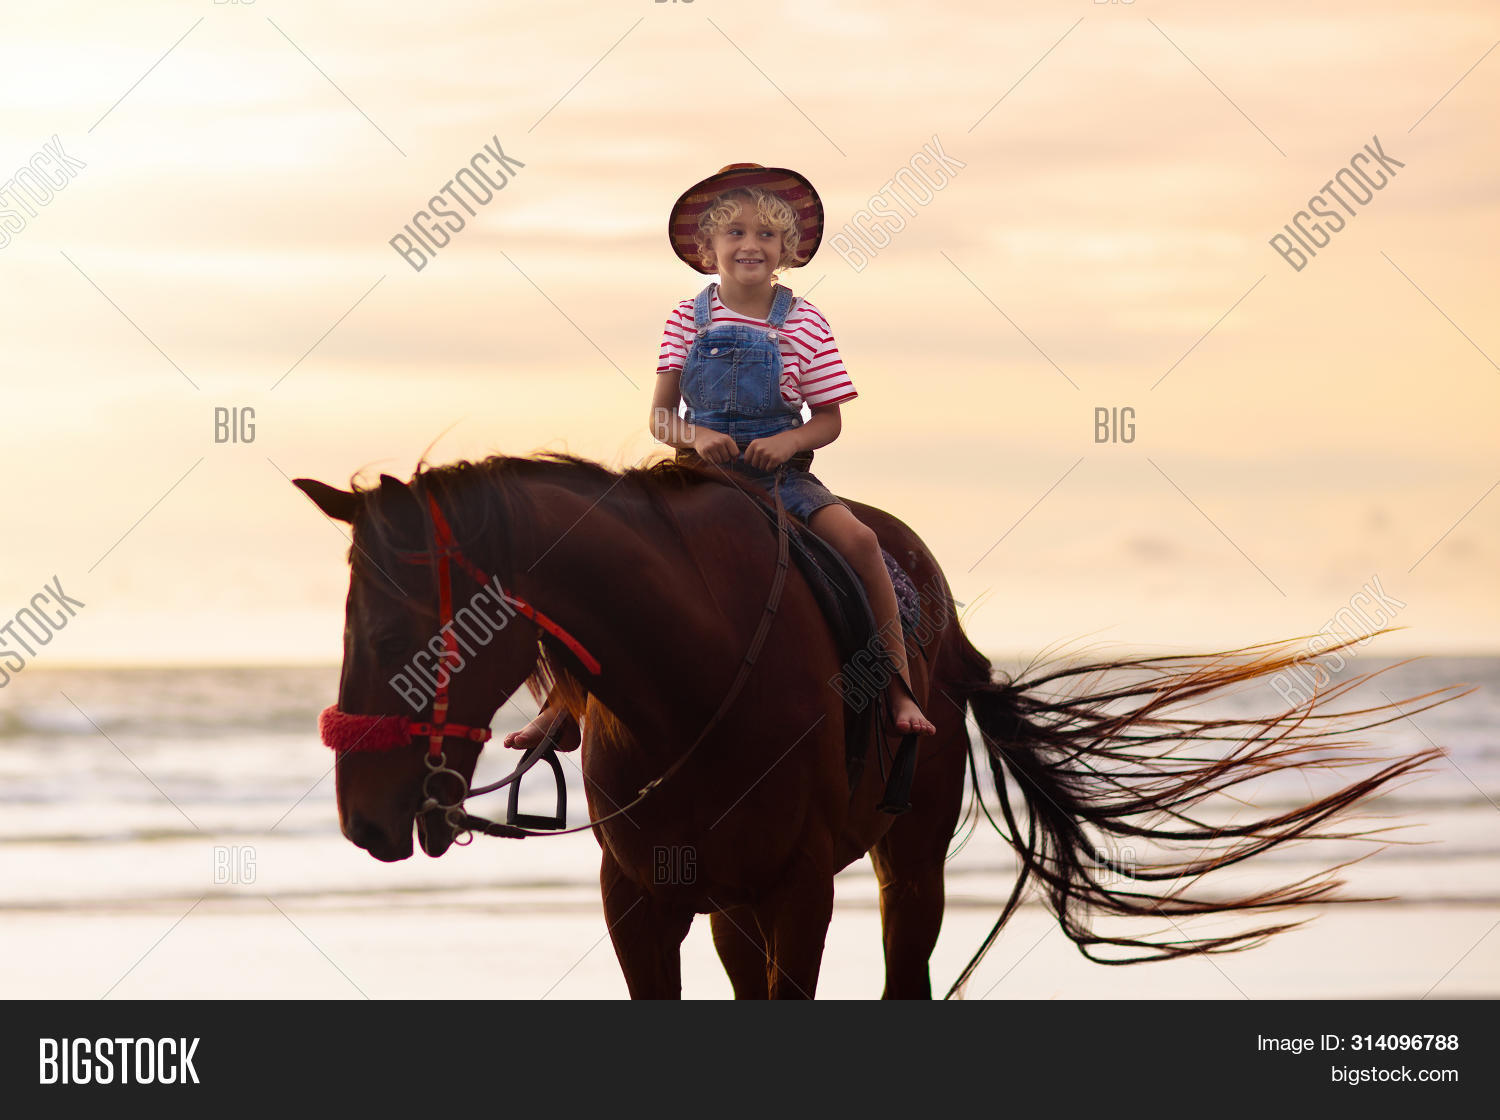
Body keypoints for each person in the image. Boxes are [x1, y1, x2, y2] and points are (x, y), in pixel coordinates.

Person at [505, 163, 934, 753]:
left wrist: (789, 442)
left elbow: (829, 419)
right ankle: (562, 704)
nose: (750, 244)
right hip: (695, 476)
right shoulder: (686, 318)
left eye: (766, 233)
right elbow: (659, 417)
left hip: (779, 479)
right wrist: (694, 435)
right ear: (708, 249)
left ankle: (896, 687)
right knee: (606, 553)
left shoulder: (806, 321)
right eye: (735, 232)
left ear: (787, 248)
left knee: (860, 543)